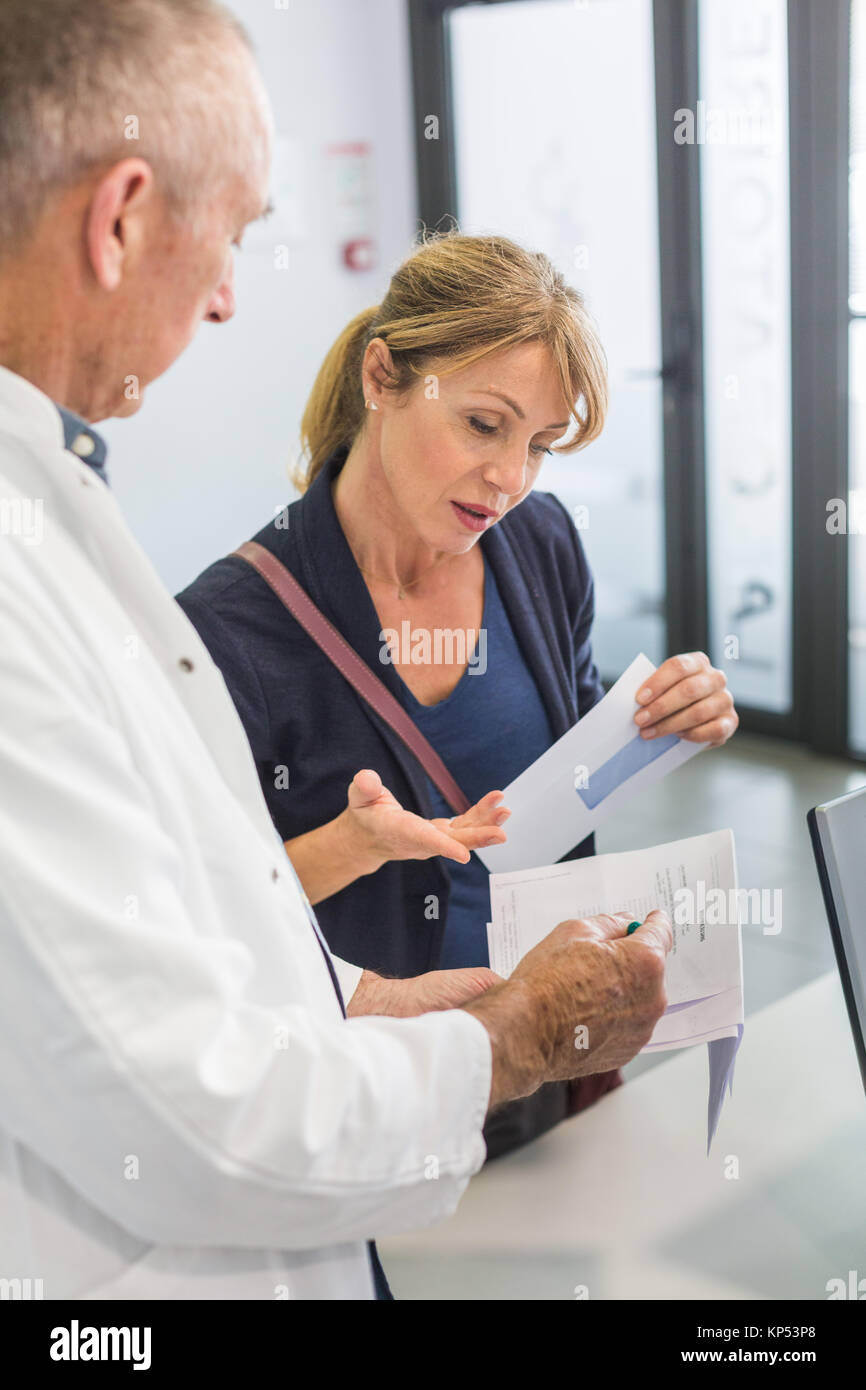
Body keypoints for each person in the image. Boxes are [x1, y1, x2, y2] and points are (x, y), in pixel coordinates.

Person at [0, 0, 673, 1301]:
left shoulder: (61, 512)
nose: (233, 293)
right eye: (239, 230)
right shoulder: (201, 618)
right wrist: (510, 1035)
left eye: (537, 444)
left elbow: (205, 935)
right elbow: (182, 1097)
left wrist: (380, 998)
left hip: (392, 1117)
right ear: (123, 214)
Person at [178, 231, 739, 1155]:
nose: (510, 480)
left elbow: (567, 757)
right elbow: (205, 914)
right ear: (381, 376)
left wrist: (667, 718)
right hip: (378, 1098)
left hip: (555, 1058)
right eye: (484, 425)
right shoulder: (228, 631)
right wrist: (347, 847)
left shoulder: (541, 546)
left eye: (542, 446)